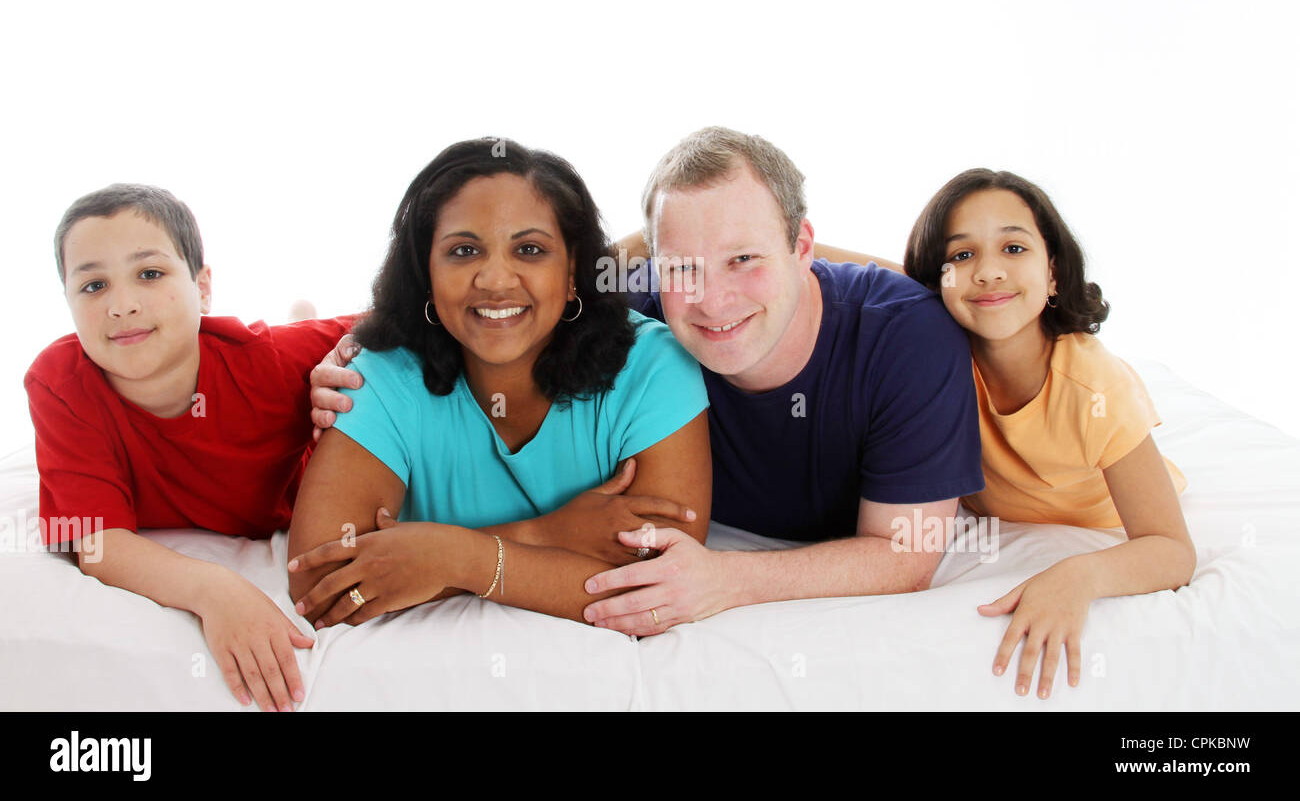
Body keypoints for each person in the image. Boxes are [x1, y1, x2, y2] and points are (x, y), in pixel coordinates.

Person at [311, 126, 983, 634]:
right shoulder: (635, 316)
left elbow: (907, 554)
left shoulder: (908, 337)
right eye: (682, 266)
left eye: (744, 259)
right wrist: (352, 341)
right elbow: (507, 291)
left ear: (803, 246)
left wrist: (725, 580)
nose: (712, 299)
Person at [285, 138, 711, 629]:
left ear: (572, 270)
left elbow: (657, 583)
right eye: (464, 251)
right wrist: (546, 533)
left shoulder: (654, 365)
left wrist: (454, 558)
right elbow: (322, 583)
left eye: (529, 250)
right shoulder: (376, 373)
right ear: (425, 271)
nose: (495, 279)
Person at [26, 184, 356, 713]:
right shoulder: (60, 382)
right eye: (93, 285)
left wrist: (343, 358)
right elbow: (98, 543)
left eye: (150, 274)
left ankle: (302, 311)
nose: (123, 305)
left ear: (203, 289)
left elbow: (389, 321)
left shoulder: (264, 361)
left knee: (304, 330)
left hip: (291, 487)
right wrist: (213, 590)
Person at [902, 168, 1195, 699]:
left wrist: (1077, 577)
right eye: (962, 255)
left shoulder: (1094, 388)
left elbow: (1171, 550)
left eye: (1014, 248)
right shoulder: (938, 355)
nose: (989, 272)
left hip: (1095, 510)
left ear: (1054, 275)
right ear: (934, 282)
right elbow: (864, 273)